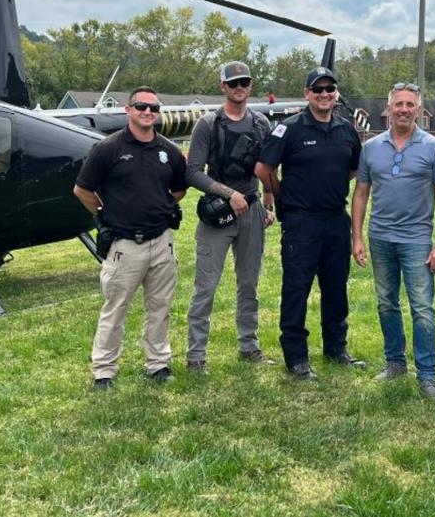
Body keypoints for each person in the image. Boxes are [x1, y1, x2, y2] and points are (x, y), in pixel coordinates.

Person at [73, 86, 188, 390]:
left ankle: (158, 364)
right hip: (125, 245)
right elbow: (82, 189)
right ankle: (104, 371)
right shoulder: (107, 149)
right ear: (128, 110)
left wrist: (163, 206)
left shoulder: (169, 151)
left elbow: (179, 188)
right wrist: (103, 213)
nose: (148, 112)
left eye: (153, 108)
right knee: (115, 309)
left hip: (161, 242)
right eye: (141, 106)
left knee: (160, 308)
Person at [255, 66, 365, 380]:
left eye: (330, 89)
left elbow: (354, 168)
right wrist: (282, 194)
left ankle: (336, 347)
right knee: (296, 289)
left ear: (336, 94)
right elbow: (263, 168)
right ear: (307, 94)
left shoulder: (345, 130)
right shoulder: (289, 128)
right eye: (318, 90)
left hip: (335, 219)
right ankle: (297, 358)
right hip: (301, 221)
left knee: (336, 288)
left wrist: (329, 185)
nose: (324, 94)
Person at [351, 82, 435, 398]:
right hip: (380, 237)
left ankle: (427, 374)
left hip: (416, 242)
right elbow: (361, 194)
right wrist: (357, 237)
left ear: (419, 110)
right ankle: (395, 363)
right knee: (386, 303)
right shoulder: (371, 148)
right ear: (389, 108)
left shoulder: (433, 147)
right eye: (399, 104)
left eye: (411, 105)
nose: (404, 110)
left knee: (422, 308)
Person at [184, 61, 277, 373]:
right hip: (218, 214)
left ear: (250, 86)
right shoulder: (208, 124)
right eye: (233, 83)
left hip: (251, 211)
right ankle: (196, 356)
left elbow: (267, 166)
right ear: (222, 87)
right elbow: (192, 172)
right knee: (206, 286)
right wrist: (228, 194)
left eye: (244, 83)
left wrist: (267, 201)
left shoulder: (262, 123)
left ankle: (248, 345)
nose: (239, 88)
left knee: (249, 283)